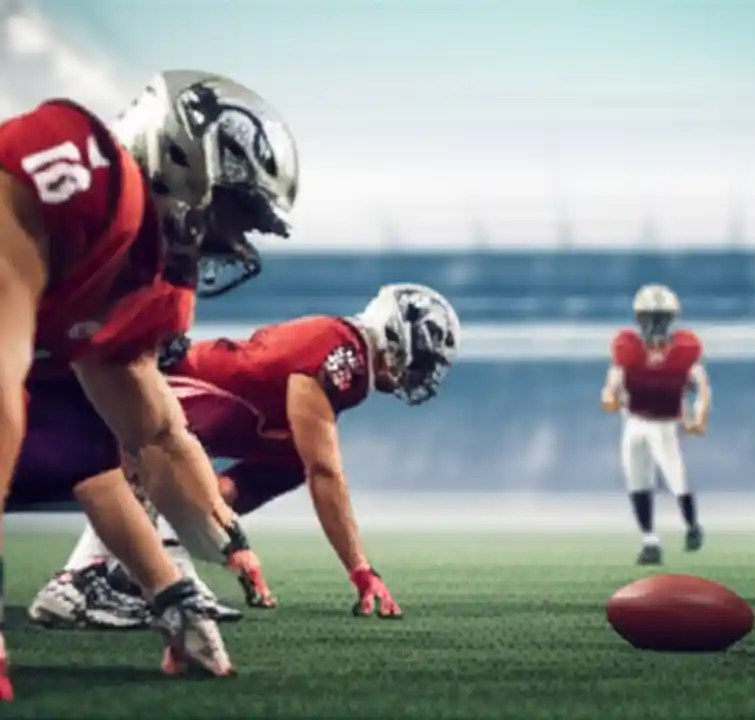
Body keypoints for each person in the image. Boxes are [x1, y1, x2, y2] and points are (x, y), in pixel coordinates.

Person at [0, 69, 299, 697]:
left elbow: (155, 438)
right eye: (232, 215)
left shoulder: (143, 286)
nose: (230, 243)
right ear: (177, 163)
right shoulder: (83, 171)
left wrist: (174, 590)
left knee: (82, 434)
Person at [28, 284, 461, 629]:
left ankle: (137, 577)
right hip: (171, 386)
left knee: (279, 463)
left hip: (190, 413)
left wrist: (231, 546)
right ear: (395, 334)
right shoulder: (343, 348)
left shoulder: (337, 383)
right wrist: (361, 570)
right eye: (423, 359)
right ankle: (78, 581)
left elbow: (221, 494)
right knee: (149, 464)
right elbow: (325, 470)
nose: (421, 373)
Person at [602, 284, 710, 565]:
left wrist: (699, 417)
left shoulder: (684, 350)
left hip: (664, 423)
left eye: (660, 317)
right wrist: (609, 397)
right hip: (635, 420)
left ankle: (692, 526)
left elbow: (701, 387)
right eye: (650, 317)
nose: (655, 324)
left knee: (676, 477)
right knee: (637, 478)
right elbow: (613, 381)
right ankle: (649, 540)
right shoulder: (628, 348)